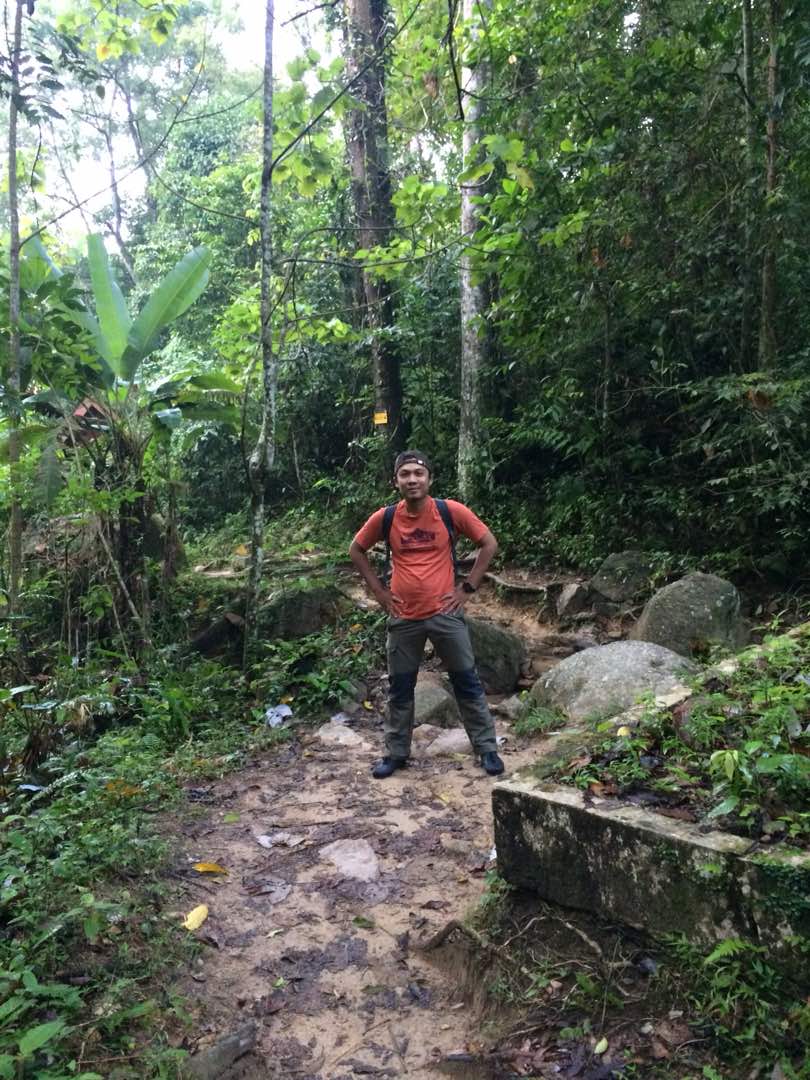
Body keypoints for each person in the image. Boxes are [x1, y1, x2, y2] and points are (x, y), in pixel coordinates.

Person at [349, 450, 505, 779]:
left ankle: (486, 748)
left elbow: (488, 543)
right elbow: (356, 549)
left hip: (445, 613)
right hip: (404, 616)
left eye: (418, 474)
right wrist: (379, 591)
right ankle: (396, 753)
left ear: (429, 479)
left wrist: (468, 588)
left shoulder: (450, 511)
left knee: (466, 680)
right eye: (405, 474)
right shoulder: (387, 517)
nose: (412, 480)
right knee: (401, 687)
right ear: (396, 482)